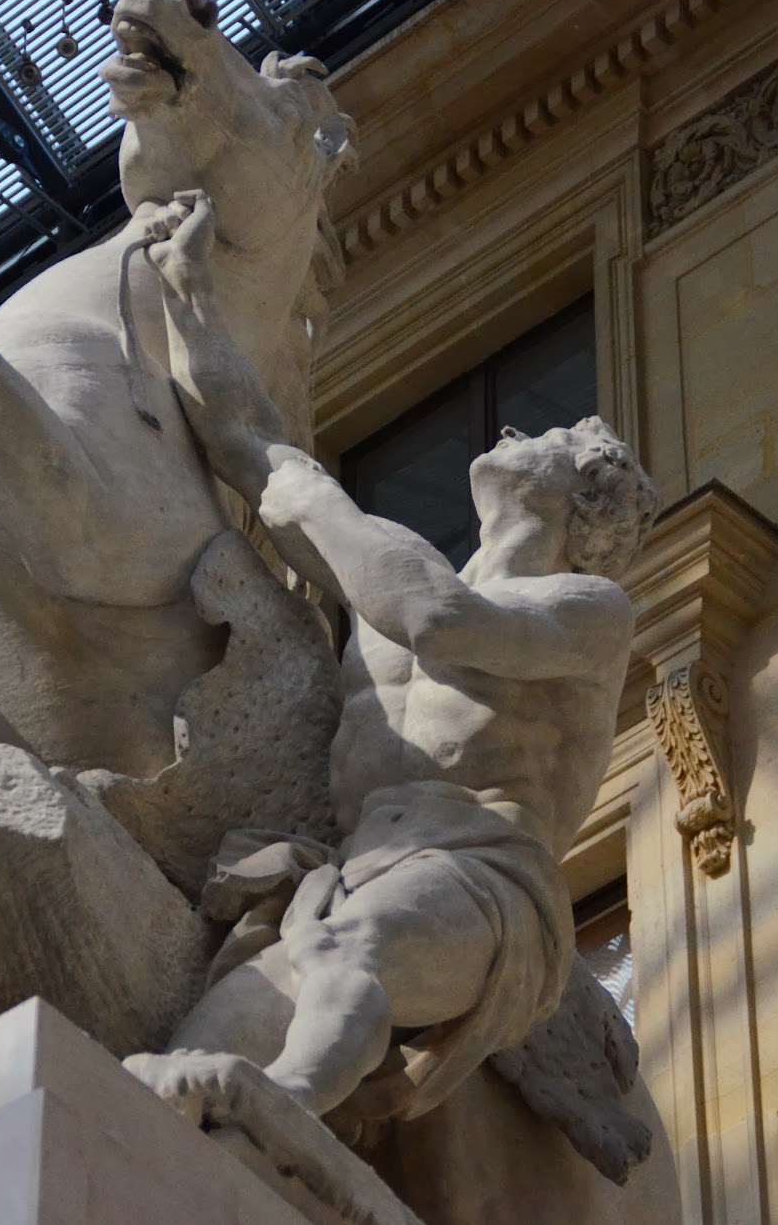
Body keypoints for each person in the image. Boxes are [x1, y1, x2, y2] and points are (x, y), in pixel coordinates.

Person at [141, 191, 659, 1120]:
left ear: (586, 496)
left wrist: (319, 503)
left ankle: (286, 1105)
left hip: (484, 878)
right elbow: (249, 446)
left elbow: (441, 618)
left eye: (544, 436)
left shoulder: (587, 610)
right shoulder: (386, 577)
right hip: (347, 873)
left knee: (355, 952)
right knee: (177, 1057)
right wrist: (189, 293)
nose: (512, 429)